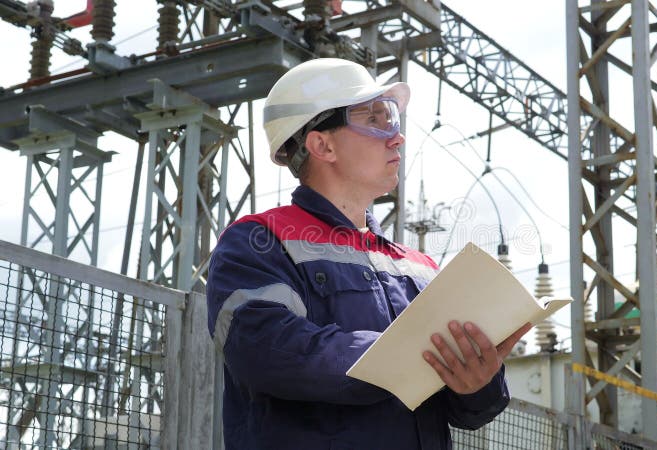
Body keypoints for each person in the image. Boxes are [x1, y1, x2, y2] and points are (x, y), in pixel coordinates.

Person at [205, 57, 531, 450]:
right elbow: (265, 349)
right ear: (322, 144)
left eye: (391, 117)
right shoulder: (258, 242)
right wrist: (408, 355)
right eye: (375, 119)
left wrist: (478, 381)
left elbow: (465, 412)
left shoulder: (418, 265)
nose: (397, 137)